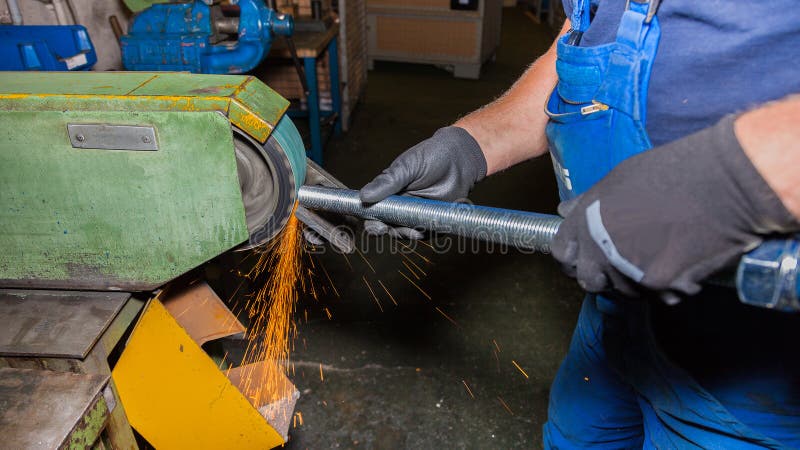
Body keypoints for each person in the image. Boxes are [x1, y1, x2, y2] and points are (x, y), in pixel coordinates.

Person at [359, 0, 800, 447]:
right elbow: (578, 51)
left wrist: (728, 182)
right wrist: (472, 145)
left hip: (751, 361)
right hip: (613, 312)